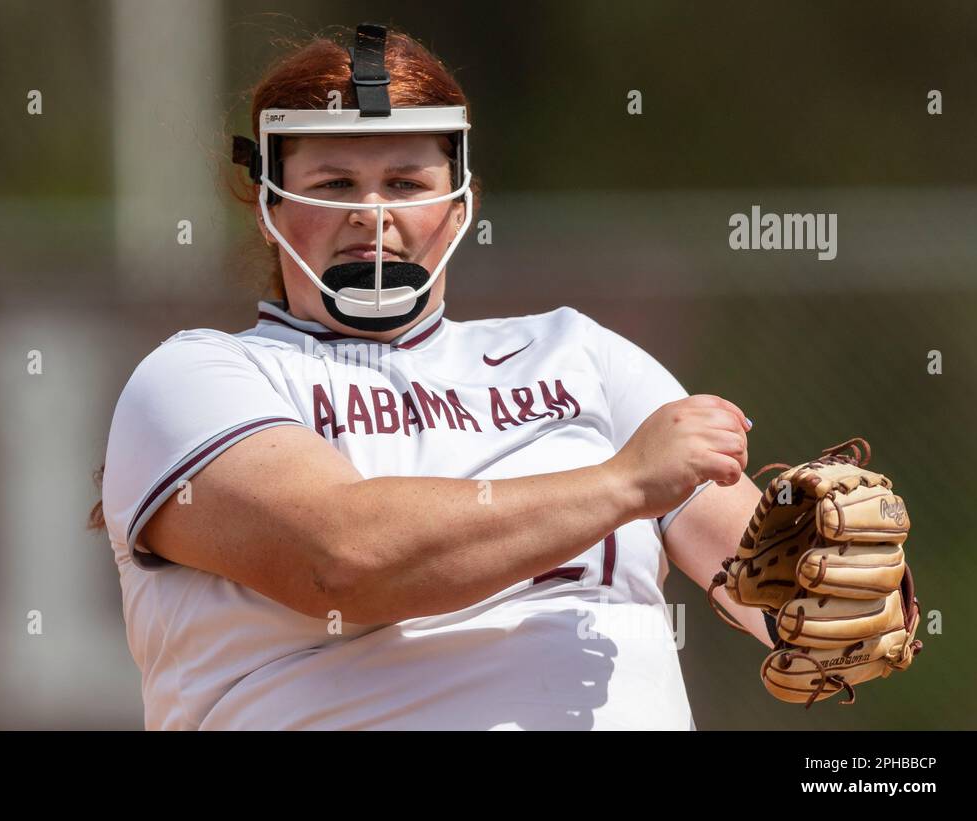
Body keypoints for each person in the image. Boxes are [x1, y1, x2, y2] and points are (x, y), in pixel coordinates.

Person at [91, 23, 773, 730]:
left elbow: (770, 575)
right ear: (269, 206)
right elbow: (343, 560)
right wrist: (624, 484)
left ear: (459, 202)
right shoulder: (196, 376)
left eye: (405, 181)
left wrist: (842, 602)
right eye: (333, 183)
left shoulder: (582, 353)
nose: (371, 214)